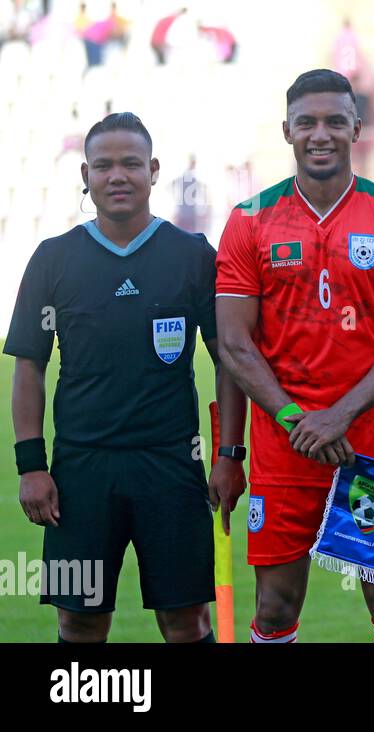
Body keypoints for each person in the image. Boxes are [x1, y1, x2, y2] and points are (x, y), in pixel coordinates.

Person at [215, 69, 374, 644]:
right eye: (307, 122)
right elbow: (235, 344)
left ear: (356, 128)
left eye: (335, 121)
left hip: (372, 443)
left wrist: (339, 415)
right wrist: (295, 419)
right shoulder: (249, 221)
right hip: (282, 448)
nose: (321, 134)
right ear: (286, 131)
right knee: (274, 608)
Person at [6, 112, 246, 642]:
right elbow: (30, 366)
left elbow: (229, 359)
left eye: (131, 164)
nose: (118, 176)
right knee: (79, 619)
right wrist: (31, 466)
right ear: (85, 175)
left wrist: (230, 455)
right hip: (81, 472)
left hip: (172, 468)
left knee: (186, 621)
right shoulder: (53, 259)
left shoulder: (192, 256)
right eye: (105, 165)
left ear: (154, 170)